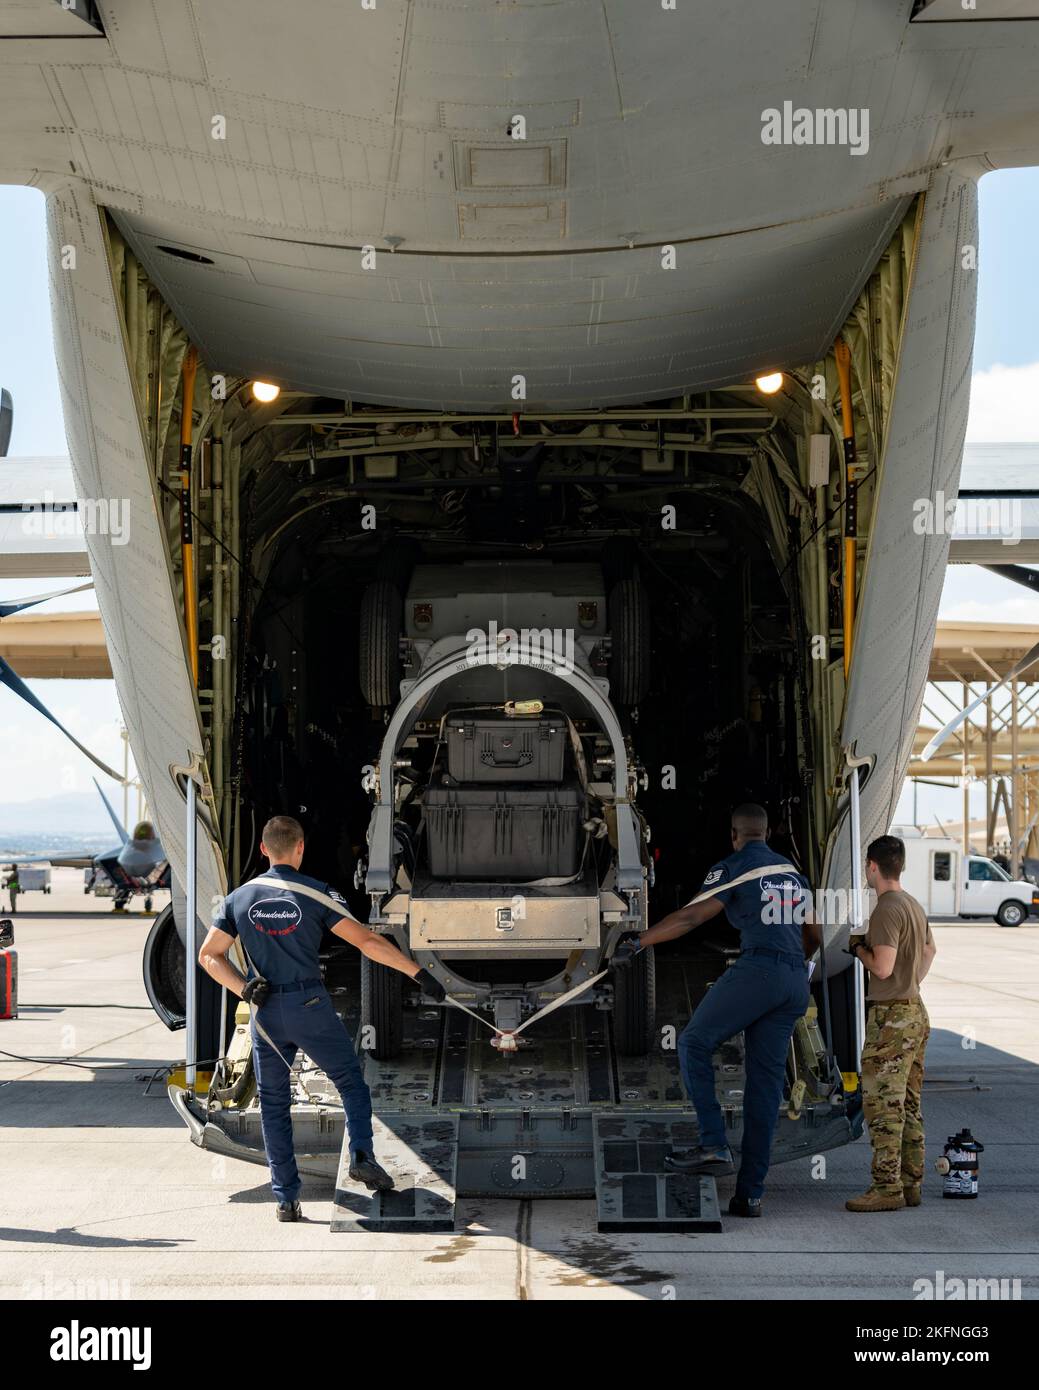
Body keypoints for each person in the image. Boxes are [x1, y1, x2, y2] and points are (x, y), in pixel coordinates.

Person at [198, 814, 445, 1222]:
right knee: (350, 1082)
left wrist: (243, 987)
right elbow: (366, 941)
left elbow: (209, 955)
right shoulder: (317, 893)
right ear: (300, 848)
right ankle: (362, 1155)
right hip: (309, 1007)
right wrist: (418, 973)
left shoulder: (237, 899)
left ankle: (286, 1201)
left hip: (266, 1013)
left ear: (263, 849)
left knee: (274, 1104)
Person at [616, 803, 819, 1218]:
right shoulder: (793, 873)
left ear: (734, 834)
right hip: (794, 980)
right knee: (764, 1088)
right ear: (767, 833)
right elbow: (813, 932)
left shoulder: (733, 867)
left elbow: (691, 918)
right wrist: (795, 969)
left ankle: (712, 1144)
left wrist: (639, 942)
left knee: (693, 1042)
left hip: (759, 970)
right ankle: (750, 1196)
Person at [844, 834, 935, 1213]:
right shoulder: (912, 904)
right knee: (909, 1103)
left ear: (871, 866)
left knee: (883, 1105)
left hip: (891, 1019)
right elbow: (930, 950)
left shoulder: (885, 909)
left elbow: (881, 966)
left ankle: (886, 1188)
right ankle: (911, 1184)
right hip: (915, 1009)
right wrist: (910, 980)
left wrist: (858, 947)